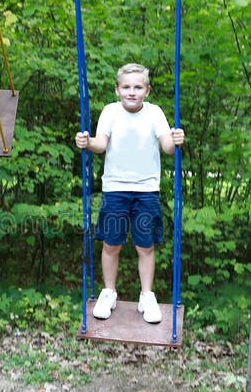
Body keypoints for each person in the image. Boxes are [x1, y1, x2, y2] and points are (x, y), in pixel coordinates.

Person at [75, 63, 185, 323]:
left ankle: (146, 296)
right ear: (117, 90)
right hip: (115, 189)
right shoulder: (110, 112)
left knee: (145, 245)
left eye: (137, 87)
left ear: (147, 90)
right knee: (111, 244)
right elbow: (101, 144)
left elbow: (167, 147)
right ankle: (109, 292)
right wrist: (87, 142)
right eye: (126, 87)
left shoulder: (154, 113)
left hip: (146, 190)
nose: (131, 92)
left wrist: (176, 140)